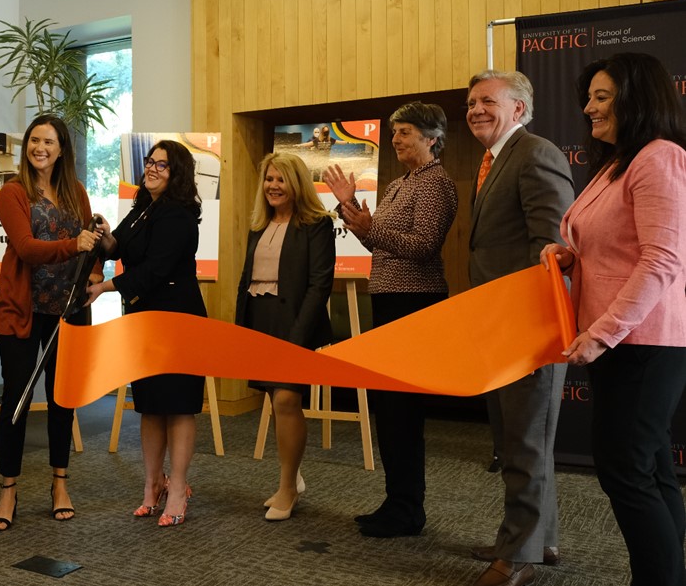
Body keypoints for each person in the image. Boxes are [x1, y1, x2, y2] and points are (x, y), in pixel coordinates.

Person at [542, 52, 686, 586]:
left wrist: (602, 333)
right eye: (590, 97)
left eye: (603, 97)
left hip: (640, 343)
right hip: (620, 341)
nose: (589, 107)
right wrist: (568, 257)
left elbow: (663, 260)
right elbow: (611, 249)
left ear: (637, 99)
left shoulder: (659, 157)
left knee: (627, 473)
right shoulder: (616, 164)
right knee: (649, 470)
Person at [322, 101, 458, 539]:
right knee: (391, 410)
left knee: (403, 411)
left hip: (415, 303)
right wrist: (352, 212)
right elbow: (382, 247)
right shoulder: (399, 184)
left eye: (405, 132)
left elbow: (422, 247)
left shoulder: (437, 183)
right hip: (388, 296)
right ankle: (397, 501)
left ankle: (407, 509)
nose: (395, 140)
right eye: (395, 132)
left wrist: (369, 225)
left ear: (431, 138)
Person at [465, 69, 573, 586]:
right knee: (518, 442)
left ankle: (520, 558)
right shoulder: (493, 161)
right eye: (470, 103)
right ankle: (535, 540)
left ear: (519, 109)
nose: (475, 110)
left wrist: (529, 323)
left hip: (528, 325)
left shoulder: (536, 154)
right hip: (499, 324)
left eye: (487, 101)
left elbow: (551, 247)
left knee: (527, 442)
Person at [0, 114, 101, 531]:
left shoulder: (76, 192)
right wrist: (75, 243)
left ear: (61, 149)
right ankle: (8, 492)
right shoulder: (13, 192)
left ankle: (59, 485)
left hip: (68, 312)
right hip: (22, 312)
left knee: (62, 401)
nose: (41, 148)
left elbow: (91, 250)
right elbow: (26, 247)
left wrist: (93, 265)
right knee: (14, 403)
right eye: (35, 140)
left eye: (49, 142)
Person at [85, 139, 206, 528]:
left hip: (177, 320)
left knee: (179, 404)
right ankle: (152, 484)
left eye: (163, 165)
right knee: (150, 405)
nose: (152, 169)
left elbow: (154, 270)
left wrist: (104, 288)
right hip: (144, 318)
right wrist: (103, 233)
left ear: (178, 174)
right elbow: (116, 246)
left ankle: (179, 487)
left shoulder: (178, 216)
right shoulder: (142, 208)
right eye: (150, 162)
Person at [236, 152, 335, 521]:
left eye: (281, 179)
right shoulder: (258, 225)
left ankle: (288, 487)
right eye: (269, 179)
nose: (273, 186)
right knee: (276, 401)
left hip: (296, 323)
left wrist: (297, 338)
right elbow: (247, 280)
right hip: (260, 319)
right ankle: (290, 476)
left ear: (297, 184)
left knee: (287, 402)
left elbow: (319, 285)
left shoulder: (318, 224)